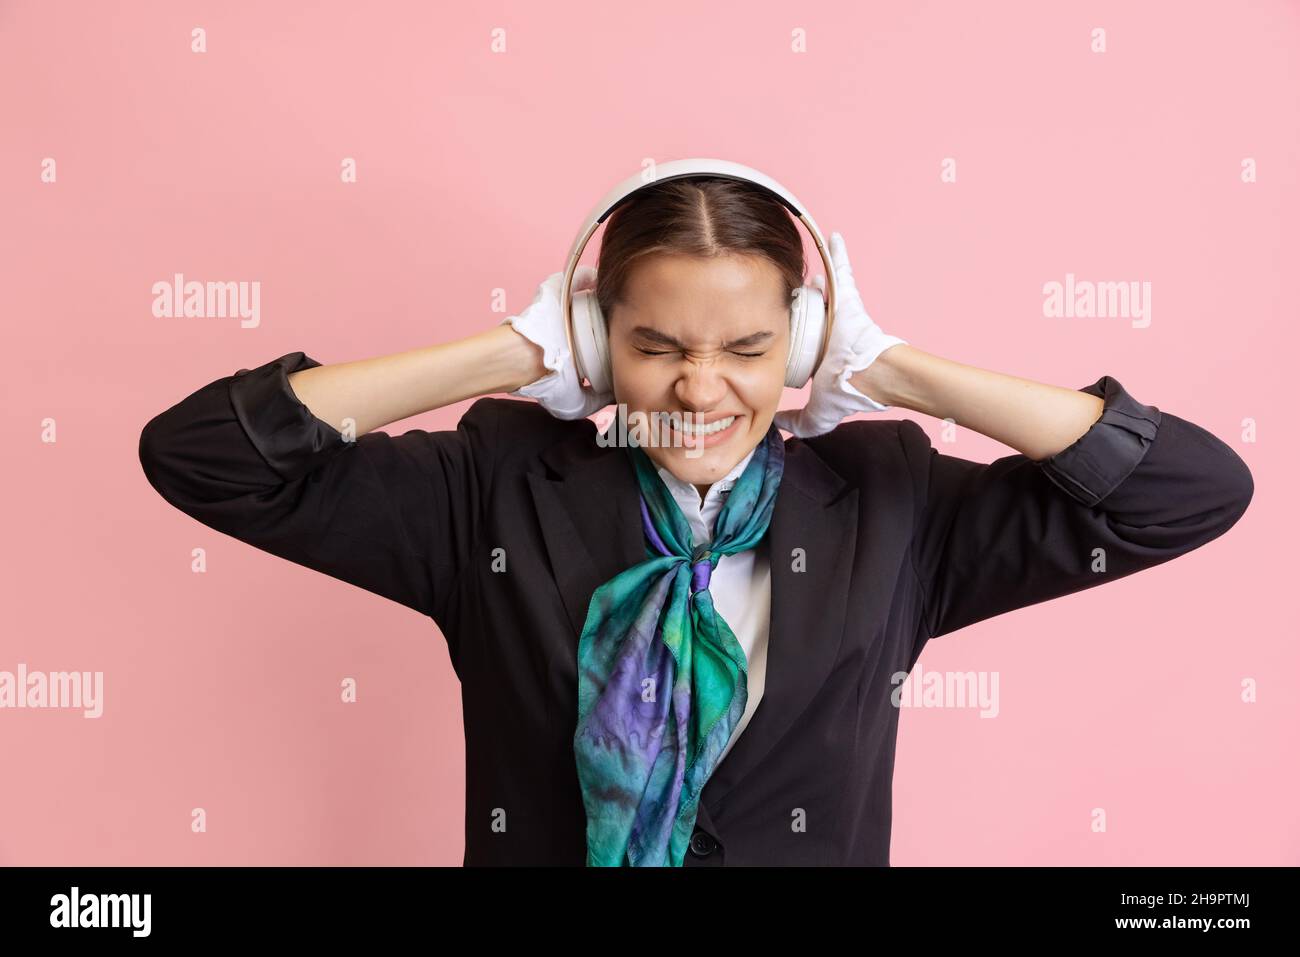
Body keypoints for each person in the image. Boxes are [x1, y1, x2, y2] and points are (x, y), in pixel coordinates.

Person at [138, 175, 1254, 867]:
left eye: (750, 350)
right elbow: (204, 459)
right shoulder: (497, 484)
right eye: (657, 347)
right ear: (597, 342)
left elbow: (1185, 493)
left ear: (807, 346)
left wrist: (897, 370)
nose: (700, 390)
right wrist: (509, 353)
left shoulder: (889, 501)